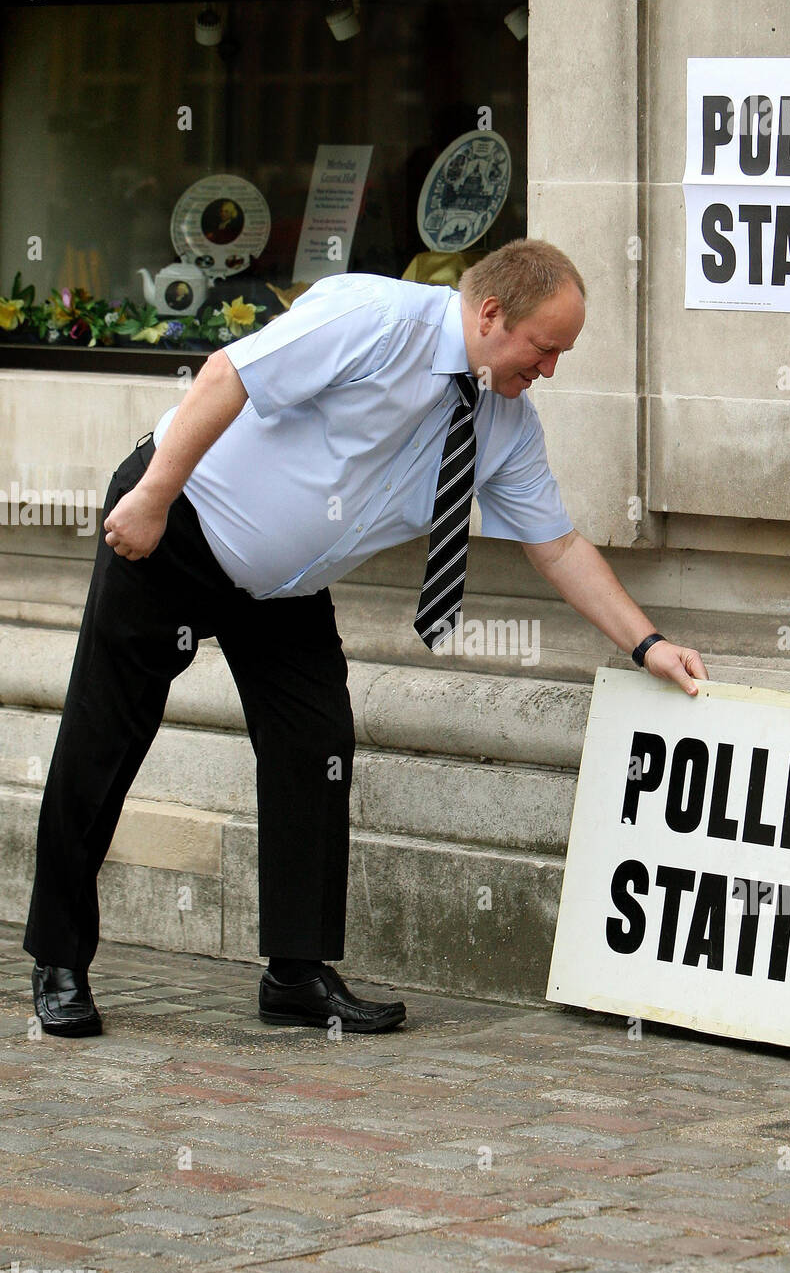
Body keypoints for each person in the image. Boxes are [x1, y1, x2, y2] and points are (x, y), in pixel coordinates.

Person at [25, 238, 708, 1039]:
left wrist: (646, 644)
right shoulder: (375, 319)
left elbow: (556, 546)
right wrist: (151, 497)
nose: (551, 369)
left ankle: (296, 972)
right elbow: (227, 376)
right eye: (545, 347)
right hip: (177, 522)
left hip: (285, 586)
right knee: (106, 739)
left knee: (317, 747)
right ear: (491, 314)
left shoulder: (506, 422)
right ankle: (60, 960)